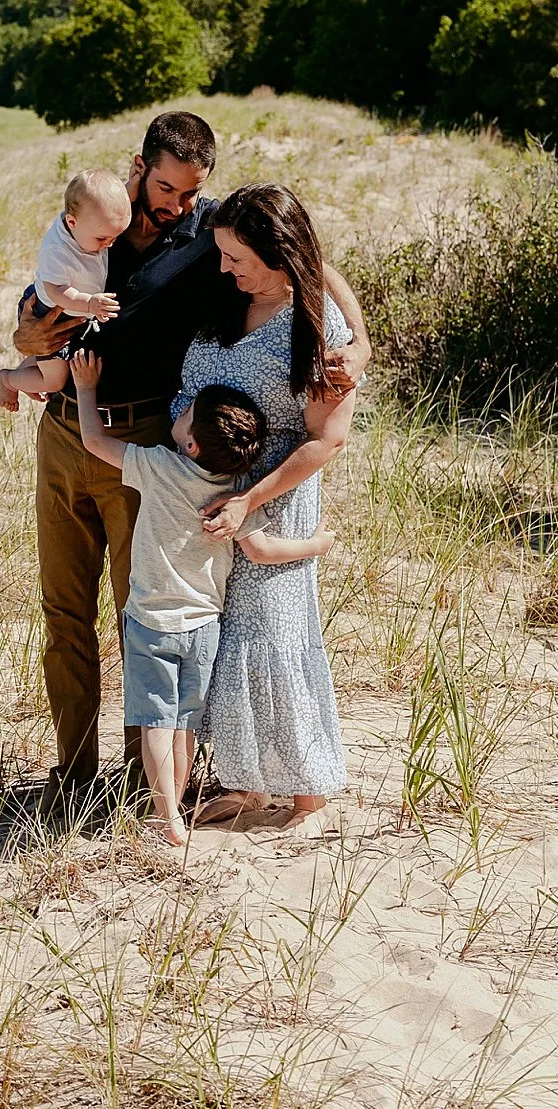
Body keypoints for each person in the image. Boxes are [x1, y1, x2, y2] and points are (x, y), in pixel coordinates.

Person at [13, 110, 370, 812]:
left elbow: (313, 262)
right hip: (65, 429)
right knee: (62, 611)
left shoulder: (210, 230)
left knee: (143, 608)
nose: (178, 203)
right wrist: (28, 336)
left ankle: (143, 783)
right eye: (169, 187)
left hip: (147, 438)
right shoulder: (94, 223)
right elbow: (33, 316)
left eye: (191, 190)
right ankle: (73, 774)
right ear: (138, 165)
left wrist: (360, 340)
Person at [63, 350, 335, 844]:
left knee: (156, 724)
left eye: (186, 412)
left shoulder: (158, 467)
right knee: (185, 722)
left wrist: (84, 388)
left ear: (190, 444)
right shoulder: (235, 492)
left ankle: (164, 818)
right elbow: (262, 550)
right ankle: (178, 809)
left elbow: (93, 440)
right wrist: (316, 545)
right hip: (206, 624)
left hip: (150, 619)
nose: (179, 410)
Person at [181, 184, 357, 837]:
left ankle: (310, 795)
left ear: (279, 255)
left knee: (275, 640)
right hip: (211, 489)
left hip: (272, 496)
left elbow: (325, 440)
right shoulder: (230, 304)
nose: (225, 269)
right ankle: (248, 782)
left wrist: (251, 499)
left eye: (237, 257)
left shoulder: (316, 329)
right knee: (229, 642)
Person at [0, 168, 132, 412]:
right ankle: (8, 379)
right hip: (49, 311)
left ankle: (31, 368)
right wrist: (90, 303)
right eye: (102, 238)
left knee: (56, 363)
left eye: (115, 236)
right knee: (55, 380)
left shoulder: (89, 224)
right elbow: (57, 291)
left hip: (75, 311)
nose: (109, 244)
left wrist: (134, 183)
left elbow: (116, 203)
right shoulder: (58, 251)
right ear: (71, 222)